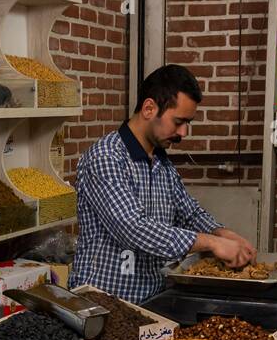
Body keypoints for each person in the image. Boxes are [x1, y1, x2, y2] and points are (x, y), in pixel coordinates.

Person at [71, 64, 257, 304]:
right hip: (104, 303)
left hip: (152, 298)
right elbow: (133, 228)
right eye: (178, 121)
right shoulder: (106, 158)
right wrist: (212, 243)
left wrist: (223, 233)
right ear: (149, 108)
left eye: (188, 122)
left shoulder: (160, 160)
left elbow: (188, 212)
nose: (184, 132)